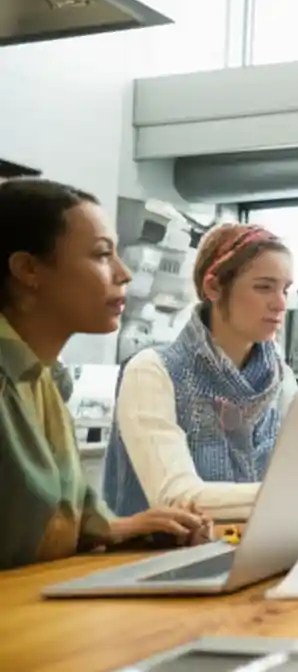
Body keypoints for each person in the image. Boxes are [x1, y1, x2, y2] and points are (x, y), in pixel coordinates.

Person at [0, 178, 212, 571]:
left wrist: (119, 531)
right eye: (102, 255)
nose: (124, 273)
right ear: (28, 269)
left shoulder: (45, 381)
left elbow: (60, 528)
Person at [103, 223, 298, 521]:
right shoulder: (153, 371)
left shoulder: (280, 381)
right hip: (155, 560)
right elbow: (177, 499)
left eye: (285, 289)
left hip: (252, 551)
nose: (280, 303)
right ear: (213, 287)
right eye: (264, 287)